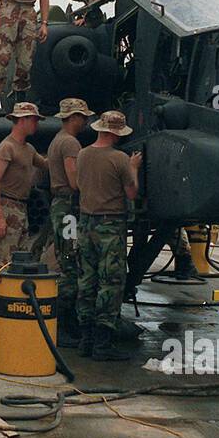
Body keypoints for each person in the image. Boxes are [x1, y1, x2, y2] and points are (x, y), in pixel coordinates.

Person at [0, 101, 48, 336]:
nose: (36, 124)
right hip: (7, 209)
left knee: (15, 264)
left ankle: (4, 309)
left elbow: (45, 165)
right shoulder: (7, 148)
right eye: (34, 120)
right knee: (1, 264)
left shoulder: (27, 150)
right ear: (23, 120)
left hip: (21, 210)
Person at [76, 110, 141, 360]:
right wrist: (133, 168)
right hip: (110, 225)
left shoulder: (82, 154)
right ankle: (102, 344)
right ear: (117, 133)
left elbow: (80, 186)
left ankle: (85, 340)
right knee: (110, 283)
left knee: (87, 280)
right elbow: (132, 193)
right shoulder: (120, 158)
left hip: (86, 223)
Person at [46, 98, 93, 347]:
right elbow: (75, 181)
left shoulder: (57, 140)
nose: (85, 121)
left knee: (66, 260)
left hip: (61, 206)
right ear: (73, 117)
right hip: (68, 207)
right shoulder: (70, 143)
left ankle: (65, 322)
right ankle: (64, 324)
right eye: (82, 117)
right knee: (69, 264)